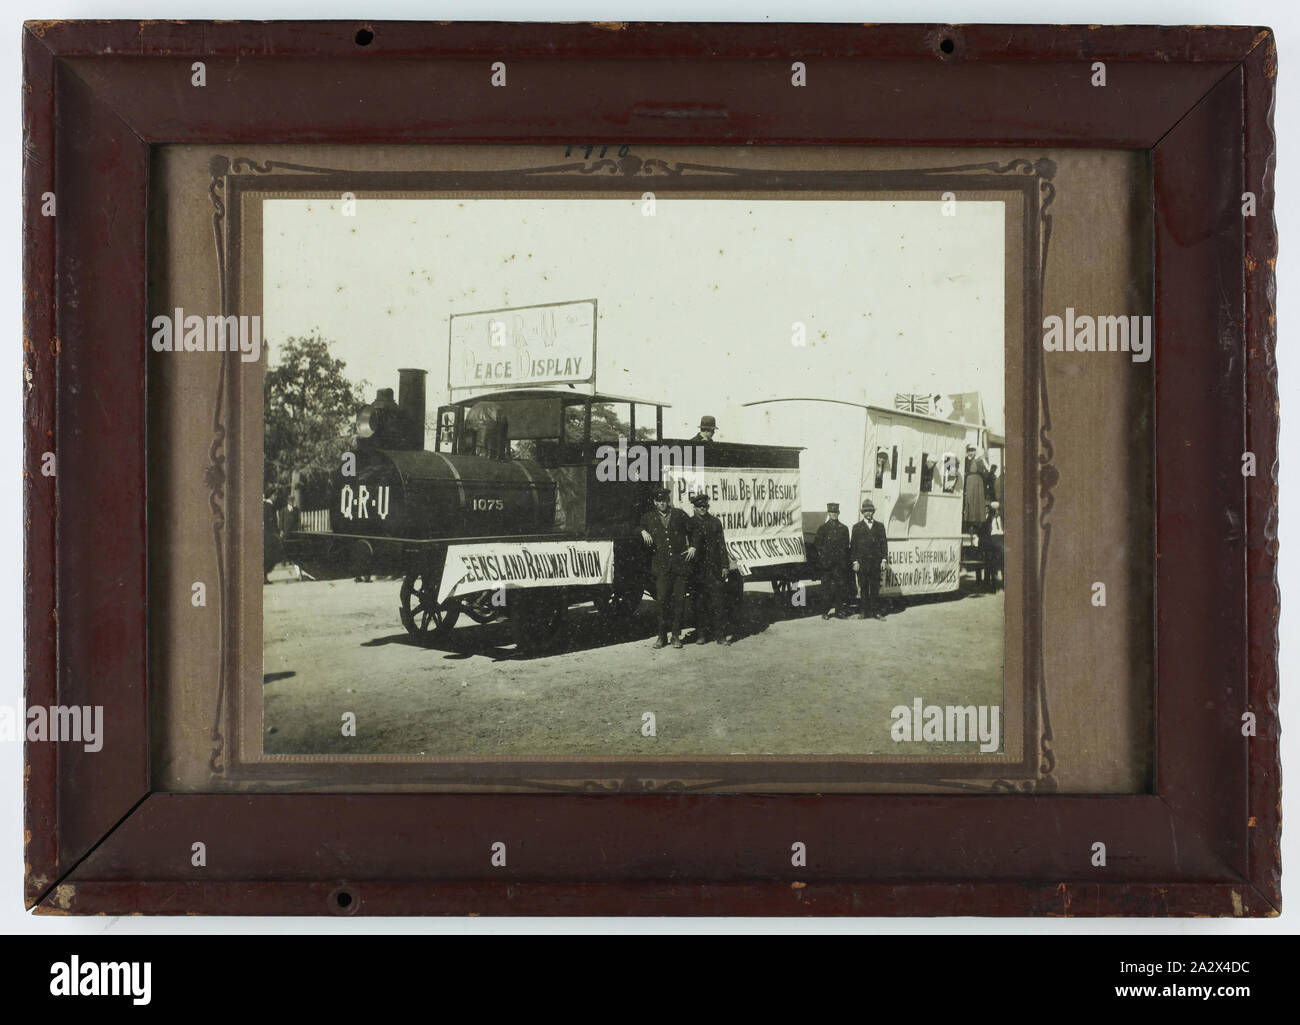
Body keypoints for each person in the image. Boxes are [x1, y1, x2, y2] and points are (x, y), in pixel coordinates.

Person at [639, 487, 695, 648]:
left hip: (679, 566)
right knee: (662, 601)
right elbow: (637, 526)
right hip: (661, 568)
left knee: (679, 601)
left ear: (668, 501)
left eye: (664, 500)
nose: (662, 503)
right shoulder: (648, 517)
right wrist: (643, 531)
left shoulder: (679, 514)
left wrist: (693, 546)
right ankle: (661, 636)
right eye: (658, 501)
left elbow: (694, 529)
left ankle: (676, 636)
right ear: (654, 502)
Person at [686, 492, 732, 645]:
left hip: (714, 569)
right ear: (694, 507)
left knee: (718, 602)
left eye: (705, 506)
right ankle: (701, 635)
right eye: (699, 506)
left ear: (708, 506)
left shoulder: (715, 522)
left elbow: (721, 545)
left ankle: (720, 636)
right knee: (699, 602)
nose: (702, 508)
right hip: (697, 570)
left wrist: (725, 565)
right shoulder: (690, 523)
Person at [851, 499, 889, 620]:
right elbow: (853, 546)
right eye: (866, 511)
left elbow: (884, 544)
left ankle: (876, 612)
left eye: (870, 511)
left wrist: (883, 560)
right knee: (863, 588)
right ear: (862, 512)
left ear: (873, 512)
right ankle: (863, 611)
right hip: (862, 564)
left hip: (875, 564)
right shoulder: (856, 527)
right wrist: (855, 562)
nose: (868, 513)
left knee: (874, 588)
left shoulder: (880, 526)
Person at [813, 502, 852, 619]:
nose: (833, 515)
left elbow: (846, 546)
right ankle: (825, 612)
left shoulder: (844, 529)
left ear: (838, 513)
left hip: (839, 565)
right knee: (826, 588)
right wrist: (823, 559)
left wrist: (843, 561)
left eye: (835, 513)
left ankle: (839, 611)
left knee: (840, 588)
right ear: (828, 513)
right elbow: (817, 545)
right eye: (831, 513)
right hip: (827, 565)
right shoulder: (823, 528)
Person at [980, 501, 1006, 592]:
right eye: (994, 510)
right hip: (992, 540)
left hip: (1002, 538)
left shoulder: (1002, 519)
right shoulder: (988, 520)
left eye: (998, 510)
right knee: (992, 561)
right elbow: (985, 533)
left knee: (1004, 560)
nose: (996, 512)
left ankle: (1004, 584)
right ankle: (993, 585)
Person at [962, 444, 987, 534]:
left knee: (976, 502)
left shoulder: (979, 460)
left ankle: (976, 524)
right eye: (969, 451)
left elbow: (984, 472)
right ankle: (968, 523)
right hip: (968, 482)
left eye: (972, 451)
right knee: (968, 501)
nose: (971, 453)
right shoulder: (964, 460)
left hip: (977, 483)